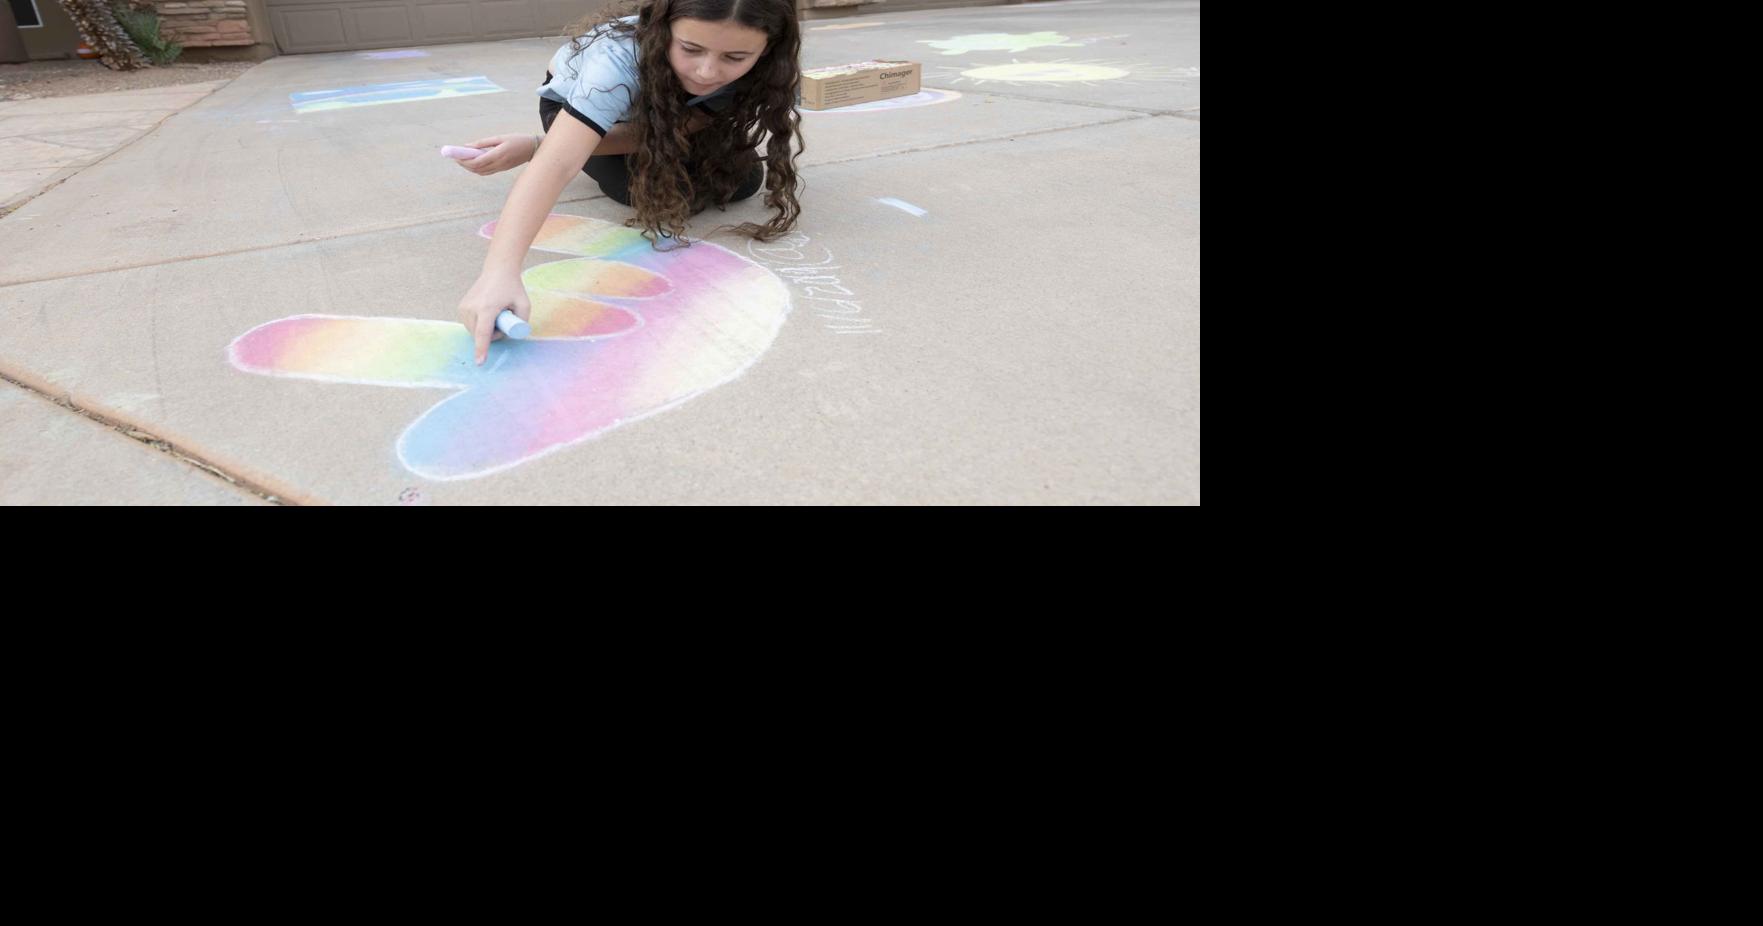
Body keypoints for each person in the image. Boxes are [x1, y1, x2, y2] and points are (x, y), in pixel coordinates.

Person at [452, 0, 805, 364]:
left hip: (666, 115)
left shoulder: (765, 62)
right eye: (690, 49)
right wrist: (499, 272)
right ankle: (546, 139)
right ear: (663, 29)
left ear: (767, 48)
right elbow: (557, 164)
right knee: (645, 191)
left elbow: (689, 123)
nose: (706, 71)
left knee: (743, 180)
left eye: (735, 58)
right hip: (576, 113)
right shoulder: (614, 61)